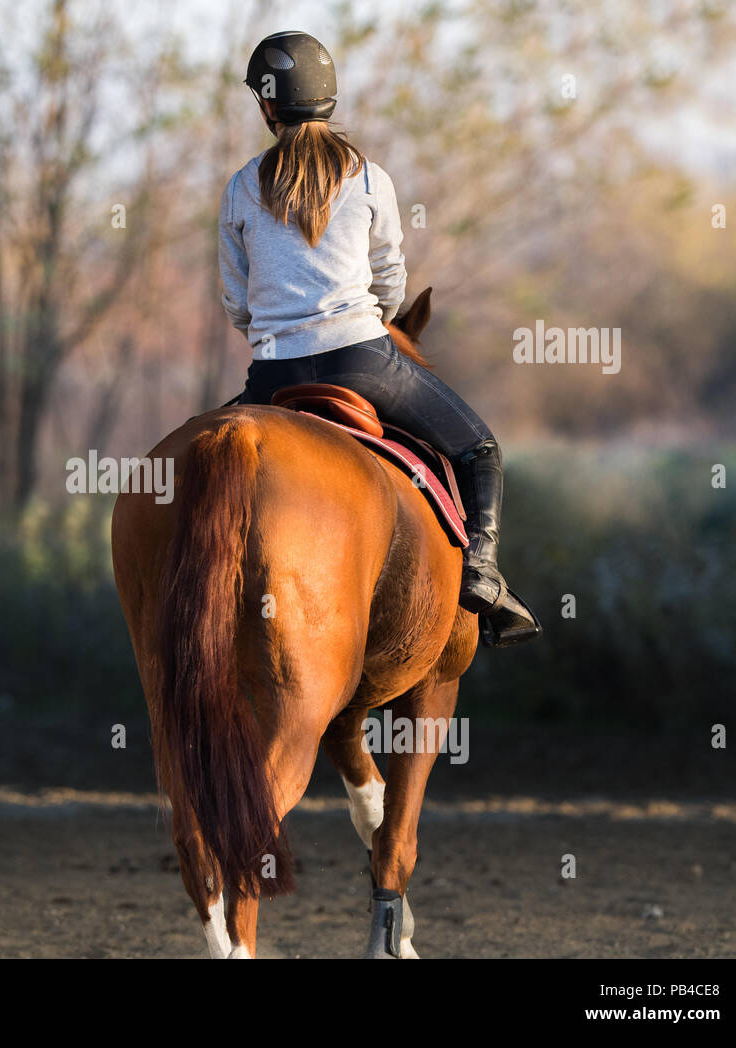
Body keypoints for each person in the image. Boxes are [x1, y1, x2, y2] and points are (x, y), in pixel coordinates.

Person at [221, 30, 540, 646]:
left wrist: (275, 337)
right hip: (363, 361)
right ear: (328, 100)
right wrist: (370, 322)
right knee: (480, 451)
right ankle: (481, 572)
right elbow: (390, 278)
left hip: (273, 376)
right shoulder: (370, 179)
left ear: (267, 105)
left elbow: (238, 302)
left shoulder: (240, 187)